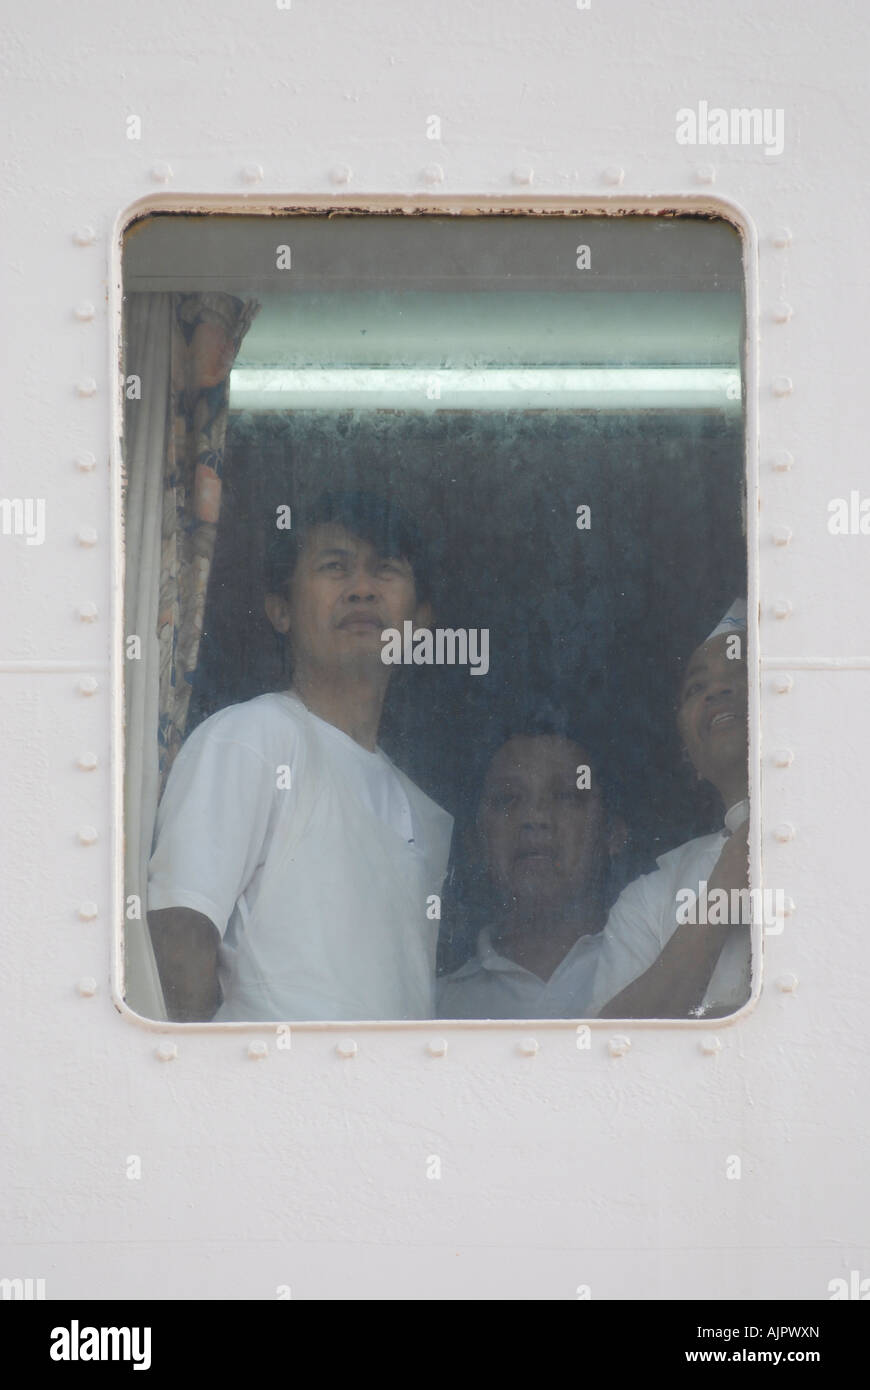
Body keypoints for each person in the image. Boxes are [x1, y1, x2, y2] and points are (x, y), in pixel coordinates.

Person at [147, 490, 453, 1022]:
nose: (362, 589)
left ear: (421, 619)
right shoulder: (253, 737)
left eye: (385, 569)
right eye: (335, 567)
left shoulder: (423, 813)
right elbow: (178, 939)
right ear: (281, 610)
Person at [593, 600, 751, 1019]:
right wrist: (725, 886)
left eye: (740, 671)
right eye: (697, 687)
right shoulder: (651, 899)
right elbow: (612, 1045)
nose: (717, 690)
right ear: (688, 755)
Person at [437, 722, 626, 1019]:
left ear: (612, 833)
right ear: (475, 839)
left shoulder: (650, 969)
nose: (535, 817)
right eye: (508, 799)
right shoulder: (437, 1008)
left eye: (566, 796)